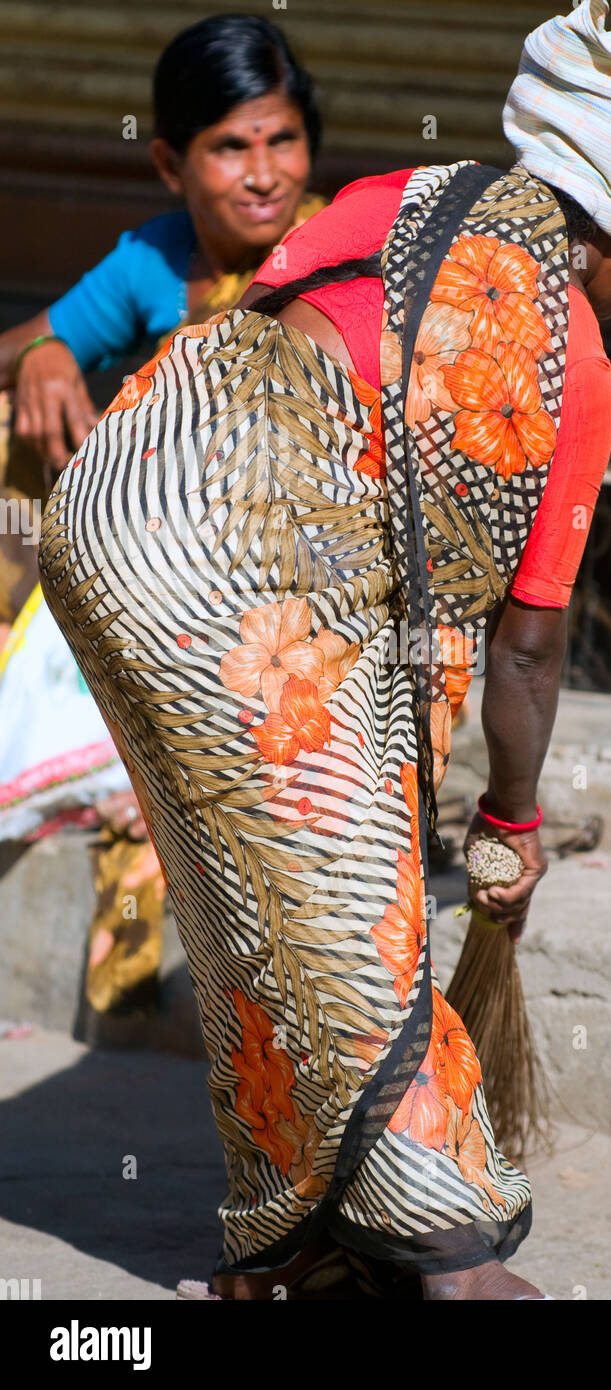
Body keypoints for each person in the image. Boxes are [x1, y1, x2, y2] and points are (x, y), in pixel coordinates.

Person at [38, 0, 611, 1300]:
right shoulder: (574, 362)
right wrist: (510, 817)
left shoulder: (401, 189)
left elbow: (287, 337)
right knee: (345, 920)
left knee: (244, 898)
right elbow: (527, 649)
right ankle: (452, 1251)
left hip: (117, 498)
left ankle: (295, 1241)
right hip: (242, 559)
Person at [0, 15, 324, 1010]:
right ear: (168, 161)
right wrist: (44, 354)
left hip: (283, 577)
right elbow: (17, 345)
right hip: (146, 556)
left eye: (282, 140)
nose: (264, 172)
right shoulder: (155, 260)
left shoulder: (338, 252)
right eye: (230, 147)